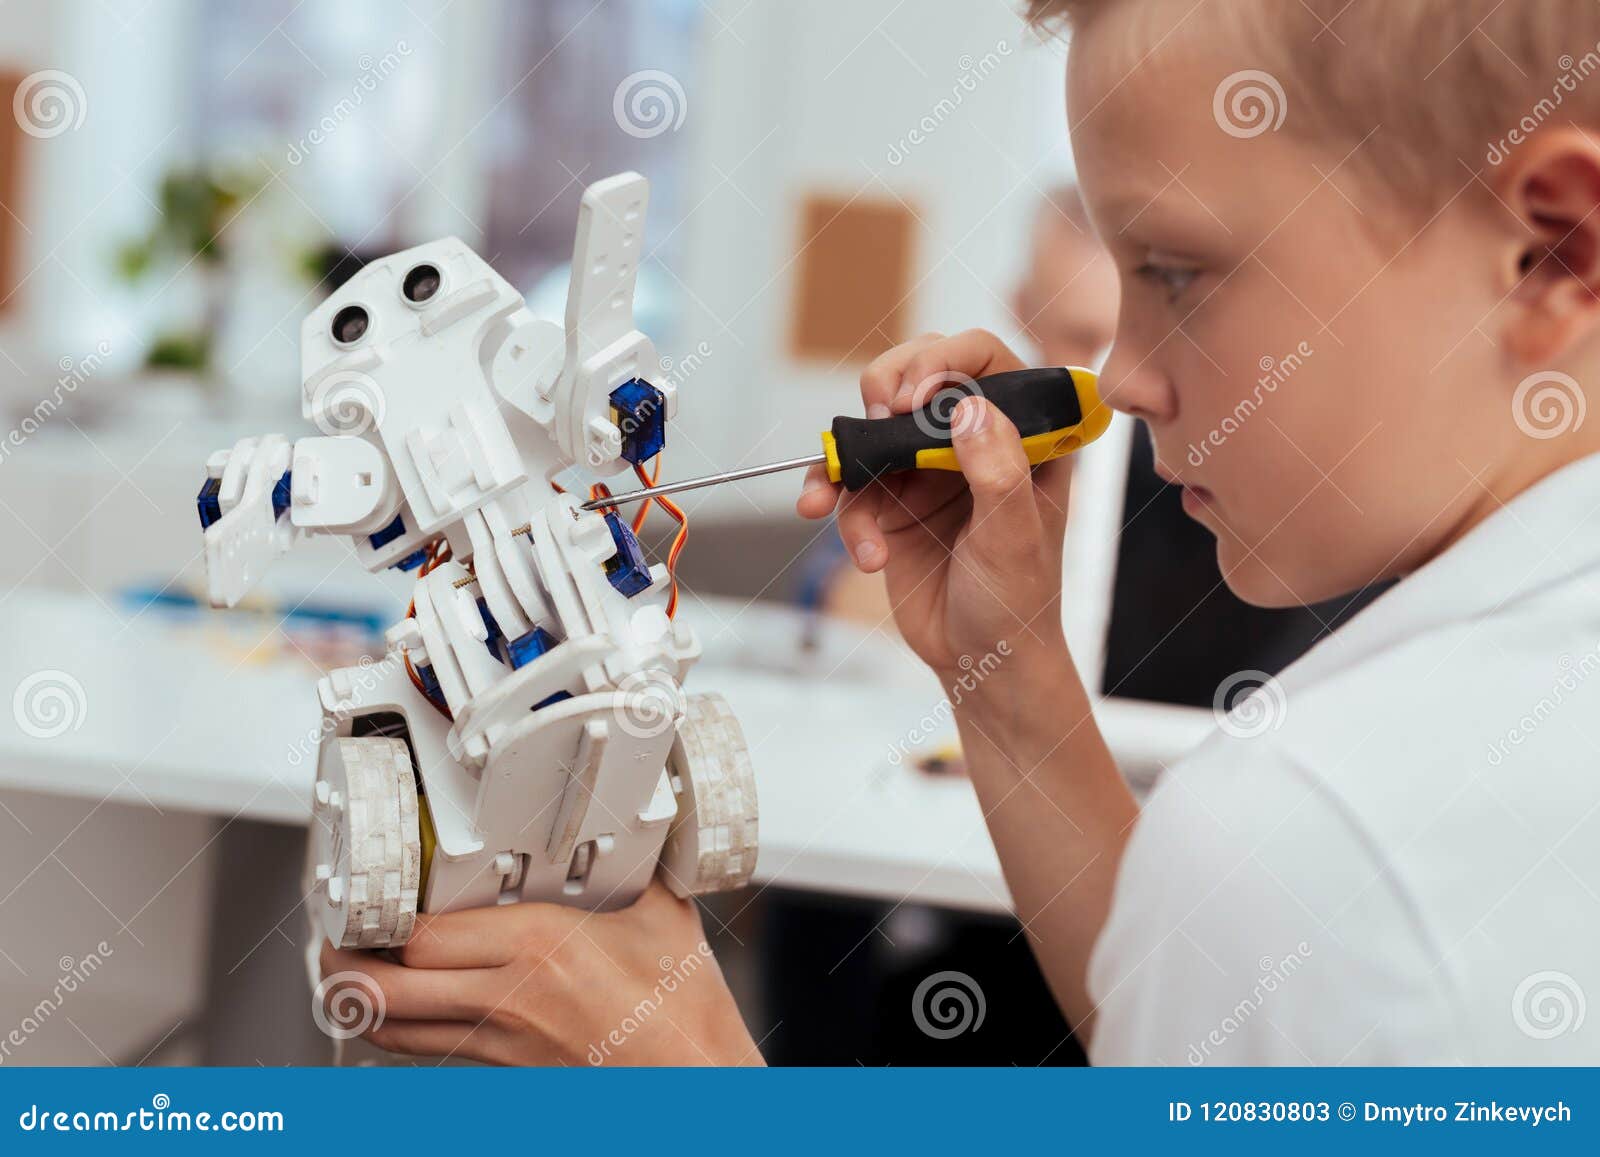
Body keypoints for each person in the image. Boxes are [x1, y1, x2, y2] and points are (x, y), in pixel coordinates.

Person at [326, 0, 1600, 1064]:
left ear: (1553, 252)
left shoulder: (1331, 842)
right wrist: (1008, 672)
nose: (1123, 381)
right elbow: (1207, 1036)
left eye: (1176, 273)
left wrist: (691, 1080)